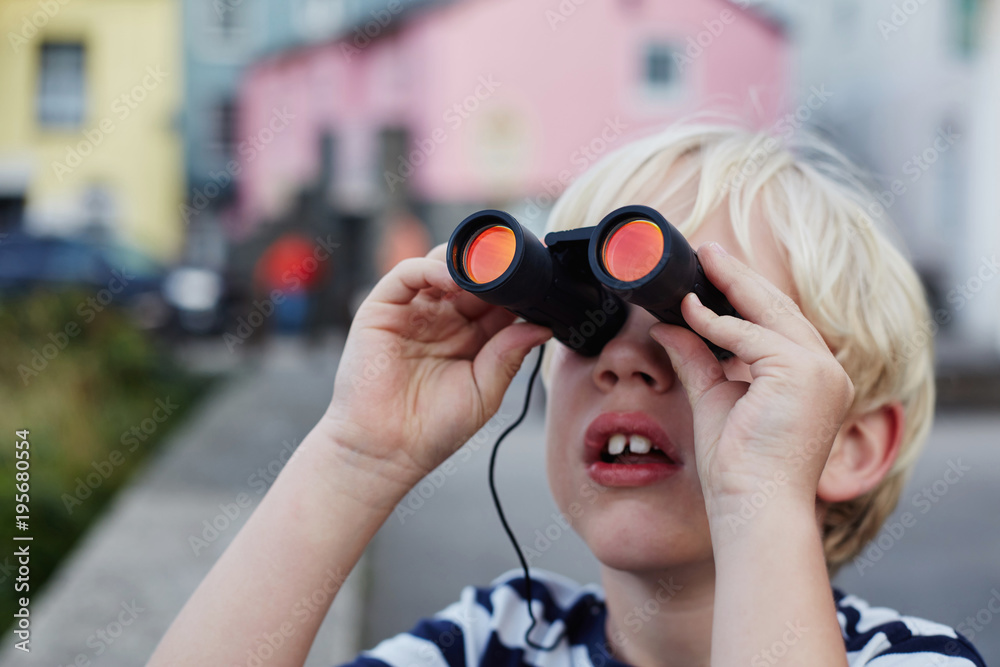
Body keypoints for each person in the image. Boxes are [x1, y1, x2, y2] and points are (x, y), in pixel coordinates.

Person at [148, 122, 987, 666]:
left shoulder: (913, 658)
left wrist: (761, 495)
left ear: (847, 442)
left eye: (704, 327)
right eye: (585, 322)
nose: (627, 361)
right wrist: (355, 455)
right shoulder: (491, 642)